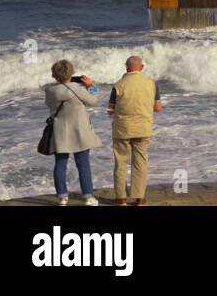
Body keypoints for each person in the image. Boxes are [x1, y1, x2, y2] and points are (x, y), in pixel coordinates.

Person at [44, 59, 102, 206]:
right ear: (71, 73)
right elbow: (94, 100)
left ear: (54, 74)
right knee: (83, 164)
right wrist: (90, 86)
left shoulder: (50, 91)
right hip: (79, 131)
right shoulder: (76, 88)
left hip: (60, 132)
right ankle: (88, 197)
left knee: (60, 164)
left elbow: (50, 105)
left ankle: (62, 197)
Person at [108, 56, 163, 206]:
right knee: (140, 163)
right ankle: (139, 198)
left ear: (126, 68)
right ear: (142, 67)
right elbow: (158, 108)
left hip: (122, 129)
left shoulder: (118, 85)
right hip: (143, 128)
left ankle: (120, 198)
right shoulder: (151, 84)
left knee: (121, 163)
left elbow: (110, 110)